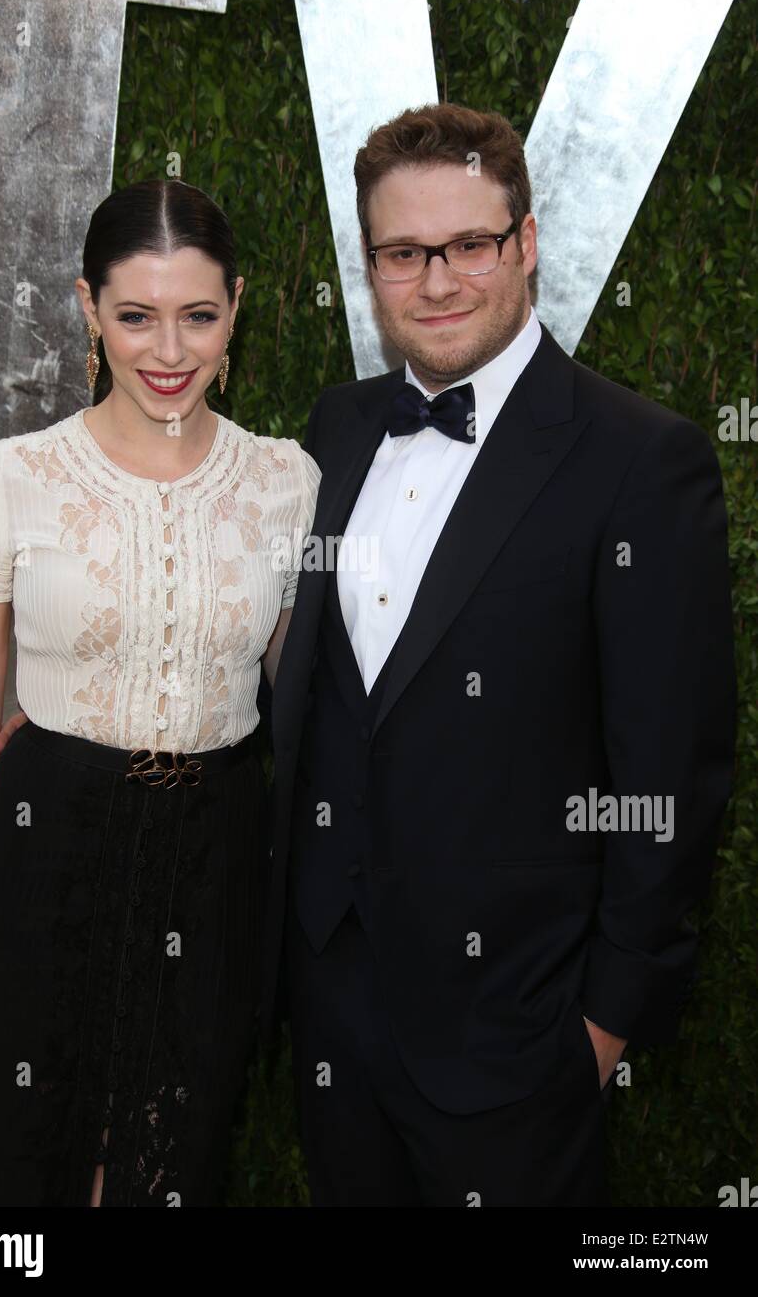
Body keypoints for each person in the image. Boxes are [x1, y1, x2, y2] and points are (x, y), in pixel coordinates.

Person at [258, 104, 737, 1206]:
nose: (435, 281)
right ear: (369, 264)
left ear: (524, 244)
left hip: (518, 1035)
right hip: (332, 1008)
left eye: (468, 244)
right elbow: (299, 679)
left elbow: (669, 778)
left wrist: (599, 1030)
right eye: (402, 253)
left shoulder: (640, 460)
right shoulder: (335, 427)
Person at [0, 178, 320, 1207]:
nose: (167, 352)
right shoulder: (8, 479)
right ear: (88, 308)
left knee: (165, 1170)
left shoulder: (290, 482)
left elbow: (306, 713)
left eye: (197, 316)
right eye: (134, 317)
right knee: (12, 1166)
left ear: (237, 309)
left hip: (213, 869)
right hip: (39, 858)